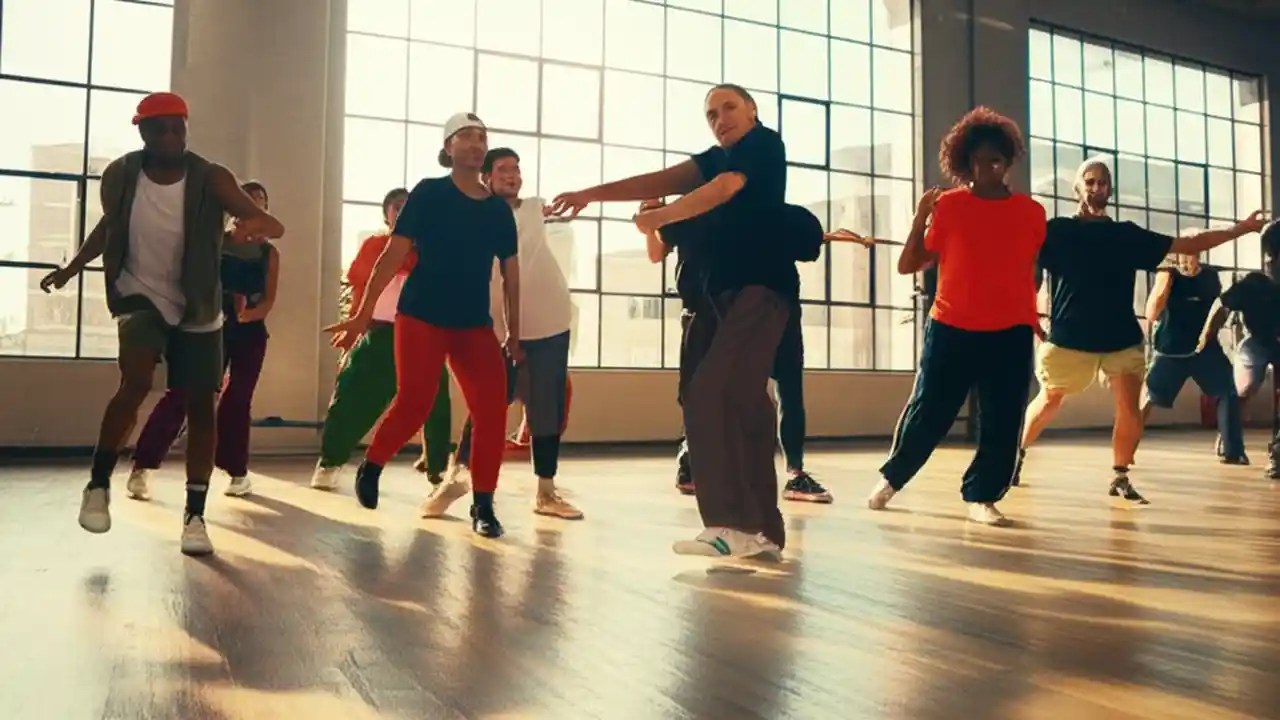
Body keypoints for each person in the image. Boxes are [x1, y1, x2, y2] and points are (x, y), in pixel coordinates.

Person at [553, 83, 813, 559]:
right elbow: (655, 181)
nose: (720, 118)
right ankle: (763, 534)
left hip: (760, 290)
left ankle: (728, 524)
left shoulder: (763, 144)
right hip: (715, 301)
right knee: (746, 406)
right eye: (711, 114)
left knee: (709, 394)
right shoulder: (713, 160)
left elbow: (726, 187)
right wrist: (589, 194)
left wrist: (661, 216)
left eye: (729, 107)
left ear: (752, 110)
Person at [39, 92, 284, 555]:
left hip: (197, 302)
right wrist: (72, 268)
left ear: (187, 129)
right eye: (161, 128)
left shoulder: (210, 177)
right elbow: (110, 227)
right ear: (142, 131)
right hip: (139, 293)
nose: (171, 136)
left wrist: (260, 225)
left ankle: (194, 515)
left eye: (179, 127)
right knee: (135, 379)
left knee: (199, 404)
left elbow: (267, 222)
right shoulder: (122, 175)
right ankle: (98, 484)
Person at [1017, 156, 1266, 503]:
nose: (1096, 187)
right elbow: (1023, 263)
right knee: (1049, 401)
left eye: (1102, 182)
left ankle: (1120, 475)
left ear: (1110, 190)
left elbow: (1188, 244)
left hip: (1120, 340)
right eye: (1089, 181)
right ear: (1078, 188)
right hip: (1069, 338)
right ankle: (1018, 453)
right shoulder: (1058, 231)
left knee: (1129, 406)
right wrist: (1028, 311)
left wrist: (1241, 229)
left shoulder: (1126, 235)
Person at [324, 112, 518, 539]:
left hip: (472, 324)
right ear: (448, 149)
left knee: (490, 411)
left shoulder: (498, 213)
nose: (475, 143)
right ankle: (372, 465)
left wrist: (515, 333)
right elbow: (391, 256)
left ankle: (483, 505)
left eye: (482, 137)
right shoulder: (429, 194)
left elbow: (511, 274)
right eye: (465, 136)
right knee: (415, 400)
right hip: (421, 316)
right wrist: (362, 314)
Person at [865, 107, 1045, 526]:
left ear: (1008, 162)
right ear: (965, 163)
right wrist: (919, 216)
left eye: (996, 160)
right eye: (979, 160)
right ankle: (892, 479)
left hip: (1011, 332)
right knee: (930, 411)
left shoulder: (1031, 213)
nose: (988, 167)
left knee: (1003, 419)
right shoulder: (950, 207)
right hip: (952, 328)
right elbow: (909, 265)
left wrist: (1022, 306)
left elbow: (1030, 267)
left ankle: (982, 496)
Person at [651, 199, 863, 501]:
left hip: (772, 309)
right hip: (718, 310)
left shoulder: (782, 216)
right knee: (709, 391)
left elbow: (809, 243)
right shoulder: (700, 211)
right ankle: (697, 461)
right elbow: (659, 242)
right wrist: (655, 215)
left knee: (782, 388)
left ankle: (793, 474)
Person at [125, 181, 282, 500]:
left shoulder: (269, 253)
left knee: (238, 399)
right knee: (182, 394)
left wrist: (245, 314)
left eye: (262, 202)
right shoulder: (213, 243)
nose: (256, 206)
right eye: (249, 201)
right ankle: (142, 467)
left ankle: (236, 472)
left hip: (249, 331)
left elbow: (267, 301)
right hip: (205, 326)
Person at [452, 147, 582, 520]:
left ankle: (545, 492)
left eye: (516, 169)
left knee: (547, 406)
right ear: (487, 178)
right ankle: (455, 477)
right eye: (503, 169)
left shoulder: (533, 207)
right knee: (487, 403)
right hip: (497, 328)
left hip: (549, 322)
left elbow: (544, 212)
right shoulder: (473, 217)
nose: (512, 175)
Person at [311, 188, 453, 490]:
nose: (403, 213)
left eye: (409, 207)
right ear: (387, 214)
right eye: (397, 207)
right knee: (352, 395)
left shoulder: (435, 251)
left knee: (435, 399)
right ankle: (330, 461)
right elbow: (362, 290)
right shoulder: (375, 246)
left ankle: (437, 466)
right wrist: (353, 330)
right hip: (381, 331)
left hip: (425, 334)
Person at [1140, 252, 1246, 464]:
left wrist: (1211, 333)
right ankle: (1125, 446)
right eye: (1188, 250)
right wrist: (1166, 278)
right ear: (1178, 254)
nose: (1192, 256)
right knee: (1148, 398)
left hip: (1204, 349)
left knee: (1228, 392)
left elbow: (1219, 308)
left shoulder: (1209, 276)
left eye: (1197, 251)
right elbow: (1151, 313)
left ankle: (1233, 451)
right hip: (1170, 350)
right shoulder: (1167, 274)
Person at [1199, 220, 1280, 477]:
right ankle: (1228, 433)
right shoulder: (1254, 283)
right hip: (1256, 342)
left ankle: (1276, 454)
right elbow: (1222, 306)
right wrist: (1206, 336)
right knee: (1242, 390)